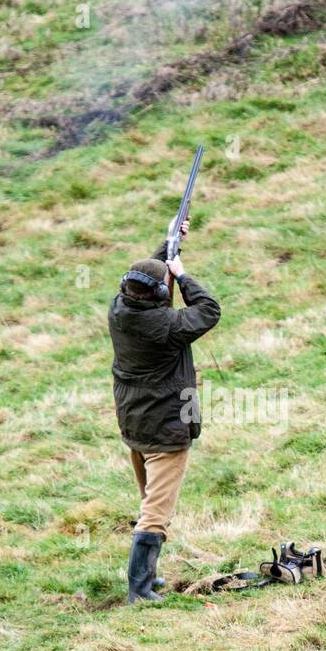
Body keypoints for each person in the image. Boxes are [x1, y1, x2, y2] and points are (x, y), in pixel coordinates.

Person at [107, 218, 221, 602]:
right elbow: (208, 310)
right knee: (156, 511)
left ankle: (148, 578)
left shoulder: (118, 309)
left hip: (134, 424)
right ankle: (138, 590)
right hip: (165, 431)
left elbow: (147, 279)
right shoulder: (167, 326)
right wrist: (182, 275)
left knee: (147, 502)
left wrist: (170, 243)